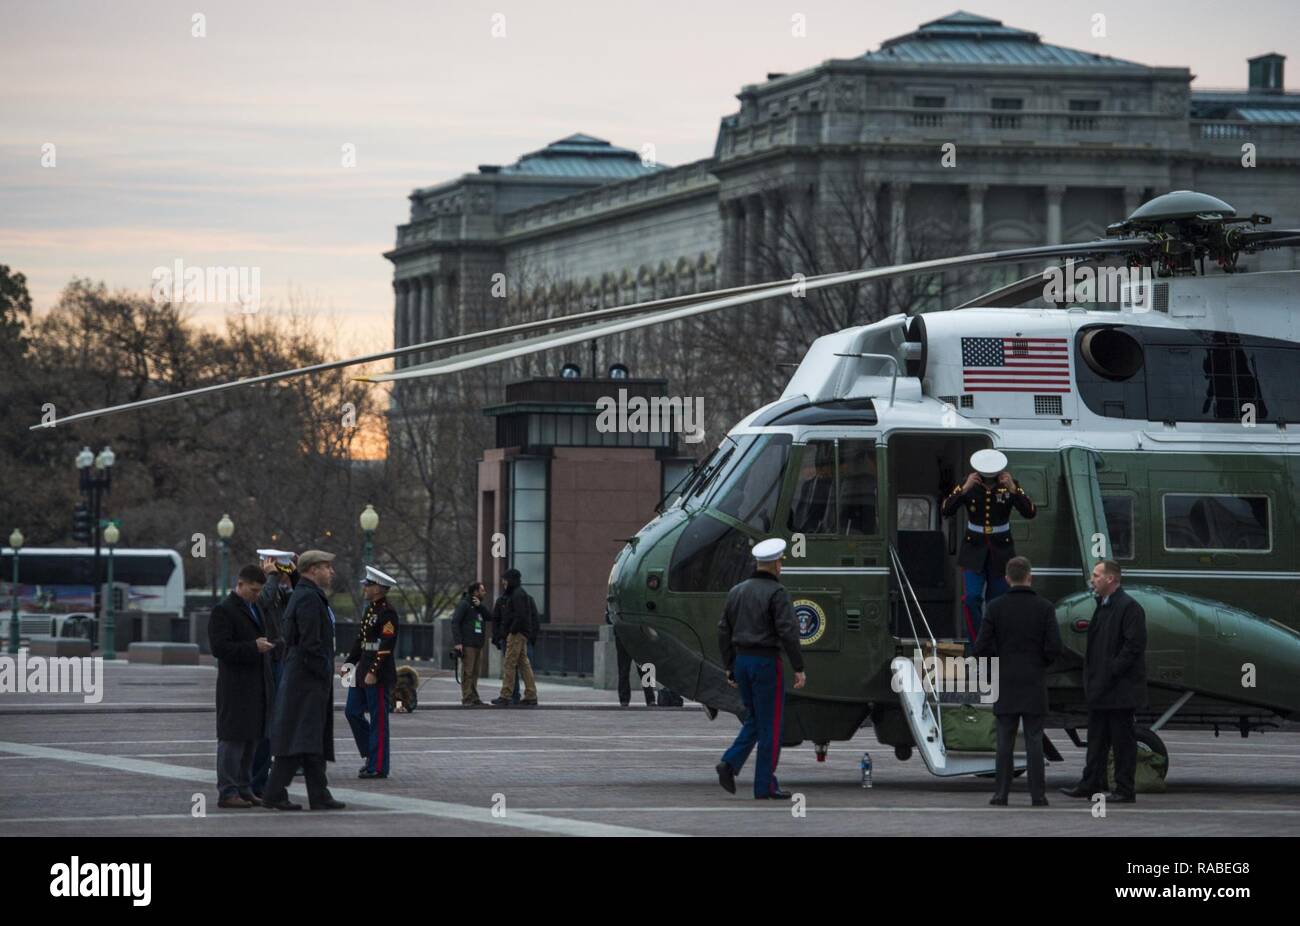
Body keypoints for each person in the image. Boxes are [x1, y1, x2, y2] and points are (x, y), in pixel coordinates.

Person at [715, 537, 806, 799]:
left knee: (755, 720)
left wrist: (730, 666)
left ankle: (730, 763)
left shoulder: (737, 591)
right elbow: (788, 632)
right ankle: (764, 785)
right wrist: (798, 666)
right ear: (777, 564)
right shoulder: (777, 593)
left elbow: (723, 630)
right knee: (771, 726)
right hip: (766, 663)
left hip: (742, 661)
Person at [974, 556, 1062, 807]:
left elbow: (981, 647)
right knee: (1035, 740)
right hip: (1034, 680)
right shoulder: (1045, 607)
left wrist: (999, 660)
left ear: (1007, 579)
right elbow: (1055, 646)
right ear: (1029, 577)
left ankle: (1000, 794)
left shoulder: (995, 607)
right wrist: (1041, 663)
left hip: (1006, 680)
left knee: (1004, 741)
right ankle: (1038, 795)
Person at [261, 549, 345, 811]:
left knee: (309, 737)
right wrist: (323, 672)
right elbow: (310, 642)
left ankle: (318, 794)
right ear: (312, 570)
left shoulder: (306, 593)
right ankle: (275, 793)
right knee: (301, 736)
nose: (330, 572)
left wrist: (292, 569)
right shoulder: (308, 598)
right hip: (307, 680)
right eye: (325, 567)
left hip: (305, 677)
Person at [1061, 560, 1148, 803]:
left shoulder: (1129, 607)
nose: (1092, 580)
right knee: (1097, 740)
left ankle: (1124, 789)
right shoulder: (1103, 605)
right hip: (1101, 688)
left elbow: (1134, 646)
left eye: (1097, 575)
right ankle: (1090, 783)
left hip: (1120, 690)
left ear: (1111, 579)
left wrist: (1111, 671)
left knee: (1122, 742)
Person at [941, 448, 1036, 644]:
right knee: (971, 599)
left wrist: (1014, 490)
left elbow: (1030, 512)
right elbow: (946, 509)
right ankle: (977, 643)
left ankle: (994, 644)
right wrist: (963, 489)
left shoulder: (1010, 486)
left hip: (1001, 552)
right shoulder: (968, 486)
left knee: (997, 603)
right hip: (973, 551)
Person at [208, 564, 275, 808]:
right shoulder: (224, 610)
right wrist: (253, 647)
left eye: (259, 591)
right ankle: (227, 792)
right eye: (253, 590)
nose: (256, 595)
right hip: (235, 686)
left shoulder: (254, 607)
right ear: (241, 584)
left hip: (256, 685)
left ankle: (244, 788)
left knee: (252, 738)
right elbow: (219, 648)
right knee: (232, 739)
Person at [344, 565, 400, 779]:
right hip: (363, 669)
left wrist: (374, 671)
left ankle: (378, 765)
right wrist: (349, 663)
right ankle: (371, 752)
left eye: (368, 585)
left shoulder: (387, 612)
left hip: (378, 671)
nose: (365, 588)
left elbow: (386, 645)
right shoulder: (370, 609)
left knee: (378, 719)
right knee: (352, 711)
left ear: (378, 588)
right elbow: (361, 640)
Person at [250, 548, 296, 796]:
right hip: (267, 661)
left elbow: (298, 596)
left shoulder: (278, 589)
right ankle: (257, 780)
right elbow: (263, 602)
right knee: (266, 724)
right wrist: (271, 576)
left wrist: (294, 571)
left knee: (275, 722)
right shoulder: (260, 591)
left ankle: (263, 776)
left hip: (279, 659)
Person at [491, 568, 538, 707]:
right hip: (521, 633)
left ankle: (505, 695)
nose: (503, 582)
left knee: (509, 663)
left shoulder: (517, 595)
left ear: (511, 580)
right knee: (524, 664)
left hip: (516, 634)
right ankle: (531, 695)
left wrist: (511, 631)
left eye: (505, 580)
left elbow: (519, 616)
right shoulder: (519, 593)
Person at [451, 581, 491, 706]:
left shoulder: (479, 606)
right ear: (475, 592)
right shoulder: (464, 604)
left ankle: (474, 696)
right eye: (482, 590)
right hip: (468, 643)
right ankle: (467, 697)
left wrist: (481, 606)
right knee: (467, 671)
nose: (484, 592)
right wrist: (458, 643)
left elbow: (489, 617)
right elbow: (455, 622)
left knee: (475, 672)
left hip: (478, 643)